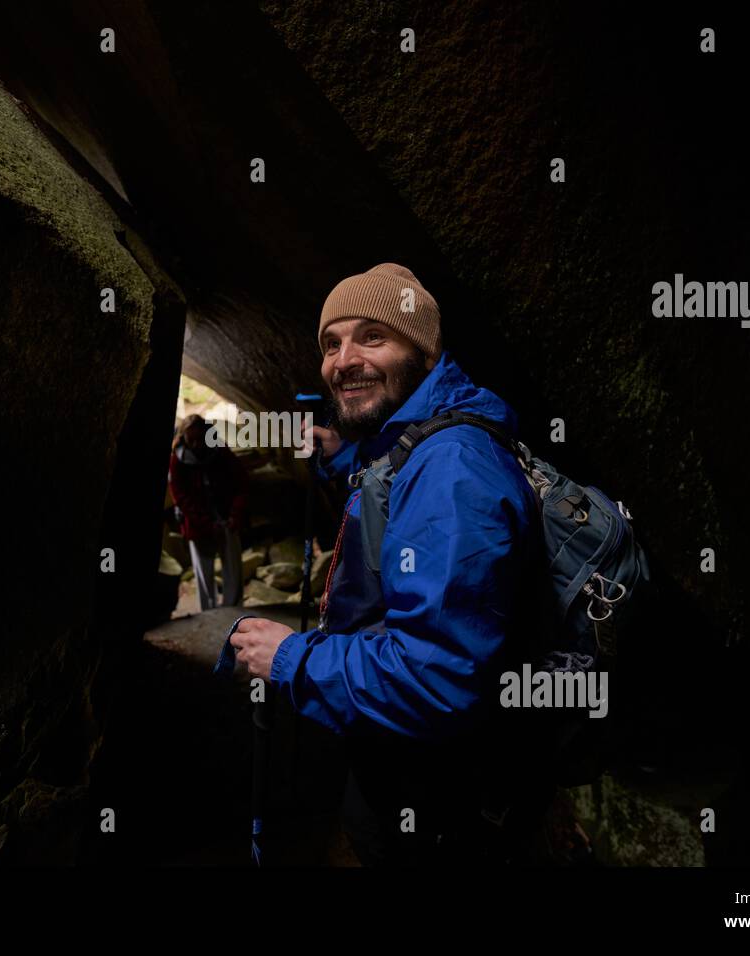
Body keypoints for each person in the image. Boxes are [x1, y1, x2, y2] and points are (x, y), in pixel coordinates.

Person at [228, 263, 553, 866]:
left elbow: (438, 677)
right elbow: (385, 475)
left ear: (423, 351)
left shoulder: (454, 468)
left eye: (372, 336)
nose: (343, 359)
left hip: (440, 798)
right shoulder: (421, 440)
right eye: (331, 343)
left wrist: (291, 658)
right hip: (412, 767)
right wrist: (336, 454)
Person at [168, 414, 248, 610]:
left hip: (227, 519)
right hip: (198, 525)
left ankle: (232, 609)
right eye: (191, 439)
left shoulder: (220, 453)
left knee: (233, 569)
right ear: (183, 438)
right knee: (204, 570)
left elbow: (240, 482)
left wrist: (234, 516)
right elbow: (181, 497)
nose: (196, 445)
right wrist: (205, 524)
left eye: (199, 439)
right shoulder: (177, 461)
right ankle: (208, 610)